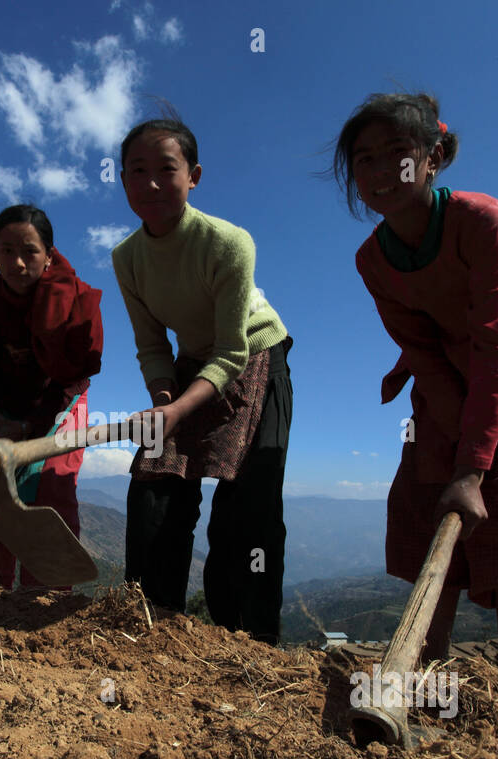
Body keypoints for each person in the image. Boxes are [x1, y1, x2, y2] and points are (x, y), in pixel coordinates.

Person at [332, 92, 498, 681]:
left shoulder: (485, 223)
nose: (380, 171)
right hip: (447, 365)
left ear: (433, 158)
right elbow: (423, 353)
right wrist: (454, 458)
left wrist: (474, 470)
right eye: (364, 159)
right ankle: (425, 669)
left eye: (398, 153)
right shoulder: (372, 260)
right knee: (427, 490)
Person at [112, 114, 293, 644]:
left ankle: (249, 640)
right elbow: (151, 344)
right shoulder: (128, 258)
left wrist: (176, 410)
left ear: (193, 176)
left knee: (248, 505)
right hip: (193, 365)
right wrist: (163, 401)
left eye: (165, 169)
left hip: (257, 353)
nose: (149, 184)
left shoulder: (229, 242)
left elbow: (233, 348)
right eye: (135, 171)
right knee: (154, 476)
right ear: (121, 180)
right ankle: (149, 621)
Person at [0, 204, 104, 588]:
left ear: (49, 255)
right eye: (6, 251)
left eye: (30, 251)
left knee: (50, 484)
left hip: (59, 402)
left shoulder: (78, 301)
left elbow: (74, 377)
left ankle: (44, 599)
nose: (18, 263)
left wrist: (30, 426)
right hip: (4, 403)